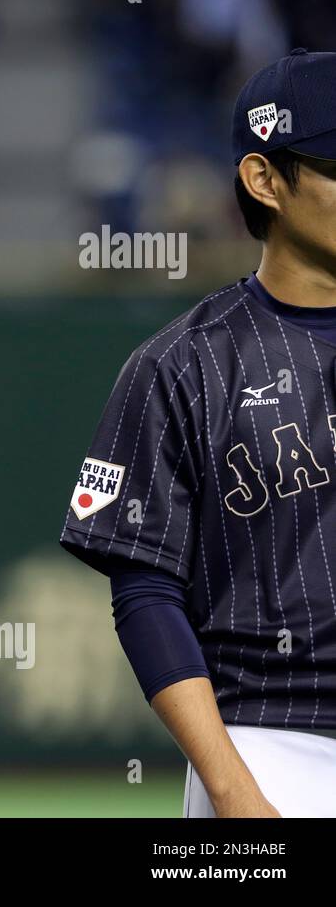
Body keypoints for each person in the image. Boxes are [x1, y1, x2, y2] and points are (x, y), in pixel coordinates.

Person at [60, 48, 336, 818]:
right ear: (265, 180)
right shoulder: (183, 364)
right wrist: (231, 785)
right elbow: (145, 589)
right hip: (272, 747)